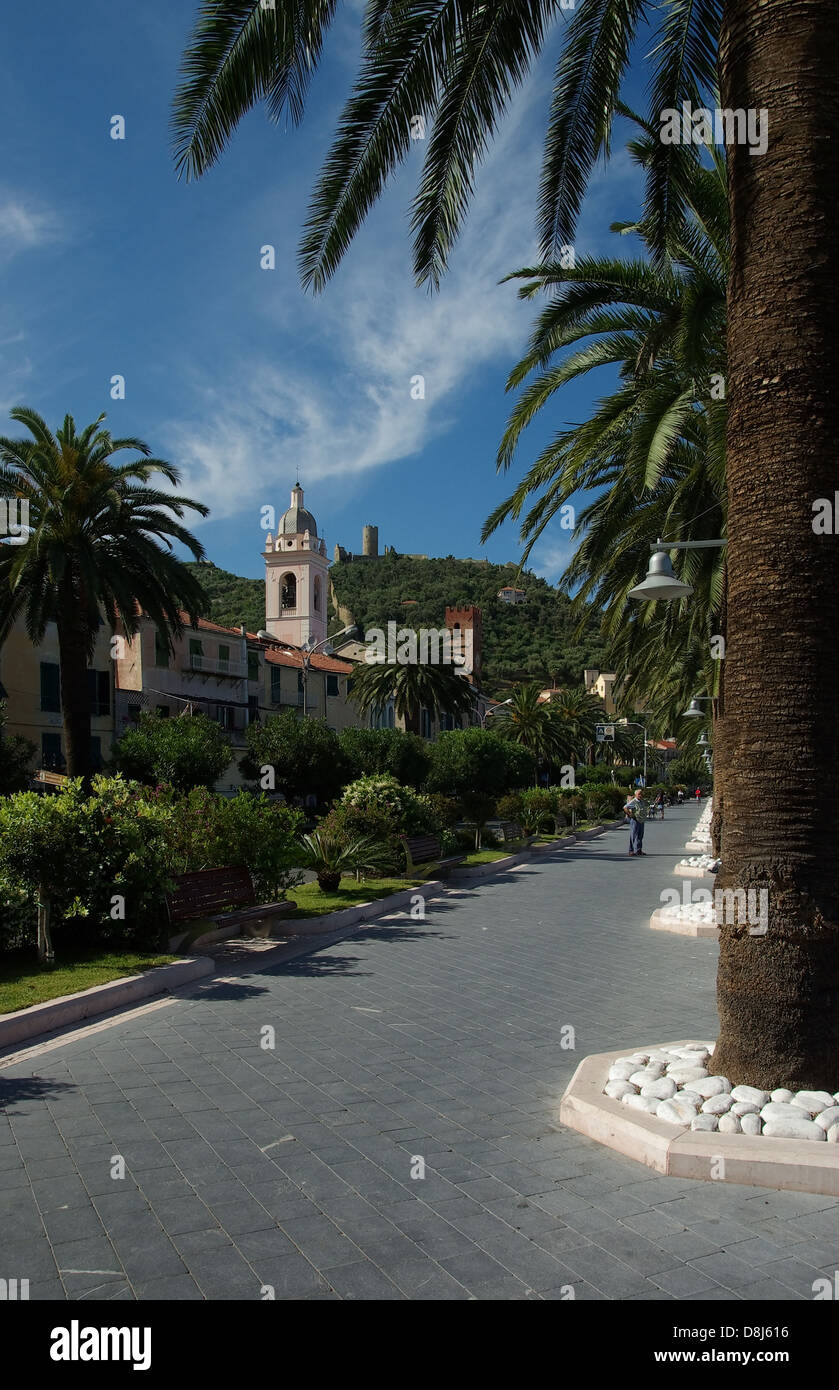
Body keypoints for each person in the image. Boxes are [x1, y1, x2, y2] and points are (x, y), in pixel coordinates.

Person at [624, 787, 650, 855]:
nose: (640, 795)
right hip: (635, 820)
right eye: (639, 794)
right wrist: (630, 815)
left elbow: (647, 805)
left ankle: (639, 850)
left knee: (640, 836)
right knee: (633, 835)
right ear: (635, 795)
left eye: (641, 794)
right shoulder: (633, 801)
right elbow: (625, 807)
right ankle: (631, 851)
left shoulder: (642, 801)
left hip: (641, 820)